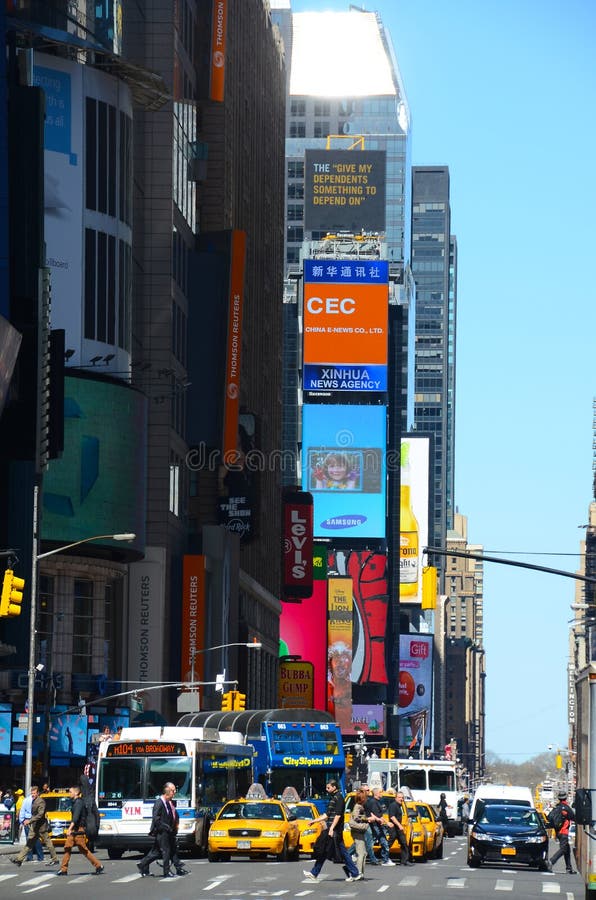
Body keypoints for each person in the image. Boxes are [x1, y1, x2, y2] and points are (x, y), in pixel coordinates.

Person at [303, 780, 361, 883]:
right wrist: (314, 821)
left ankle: (355, 873)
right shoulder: (333, 798)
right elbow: (327, 815)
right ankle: (314, 873)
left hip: (335, 831)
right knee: (326, 851)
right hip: (332, 830)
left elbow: (338, 815)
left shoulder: (339, 798)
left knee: (339, 852)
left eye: (328, 787)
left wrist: (332, 828)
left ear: (334, 787)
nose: (327, 789)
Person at [137, 782, 189, 878]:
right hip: (162, 832)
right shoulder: (159, 803)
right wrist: (166, 827)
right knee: (166, 851)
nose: (175, 792)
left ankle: (142, 864)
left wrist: (173, 827)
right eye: (173, 790)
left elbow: (172, 815)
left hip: (169, 832)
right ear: (167, 791)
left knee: (159, 852)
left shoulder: (168, 802)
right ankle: (167, 871)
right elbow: (156, 819)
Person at [56, 785, 104, 876]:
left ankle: (98, 865)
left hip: (78, 830)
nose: (69, 794)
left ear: (76, 793)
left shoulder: (78, 803)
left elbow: (76, 818)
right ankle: (63, 869)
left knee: (83, 849)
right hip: (75, 829)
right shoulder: (75, 802)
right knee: (67, 847)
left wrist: (69, 829)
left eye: (70, 792)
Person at [10, 785, 60, 867]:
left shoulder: (41, 801)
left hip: (41, 827)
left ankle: (55, 859)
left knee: (48, 843)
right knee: (29, 843)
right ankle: (19, 860)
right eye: (32, 793)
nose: (32, 795)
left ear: (37, 793)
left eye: (34, 793)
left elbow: (40, 814)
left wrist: (29, 820)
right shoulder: (33, 800)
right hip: (35, 827)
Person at [365, 787, 395, 866]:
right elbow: (378, 815)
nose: (382, 794)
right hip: (375, 825)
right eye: (380, 792)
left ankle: (385, 859)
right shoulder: (373, 802)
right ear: (376, 793)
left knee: (370, 841)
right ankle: (385, 860)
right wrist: (387, 823)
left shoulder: (377, 801)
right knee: (383, 842)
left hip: (377, 825)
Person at [548, 791, 576, 874]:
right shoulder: (566, 808)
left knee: (567, 849)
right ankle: (551, 861)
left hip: (557, 831)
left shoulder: (556, 807)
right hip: (564, 831)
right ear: (566, 798)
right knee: (563, 849)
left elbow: (549, 818)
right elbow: (573, 817)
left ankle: (569, 868)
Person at [386, 788, 413, 866]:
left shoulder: (399, 806)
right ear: (396, 798)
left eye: (402, 797)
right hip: (393, 827)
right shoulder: (393, 805)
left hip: (398, 828)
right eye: (399, 797)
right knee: (389, 843)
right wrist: (399, 825)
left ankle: (404, 861)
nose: (401, 799)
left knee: (404, 843)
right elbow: (392, 817)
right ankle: (384, 858)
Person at [19, 789, 44, 862]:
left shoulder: (26, 800)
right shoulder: (39, 800)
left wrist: (22, 821)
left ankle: (30, 857)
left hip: (27, 821)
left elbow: (22, 811)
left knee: (29, 839)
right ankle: (40, 856)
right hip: (34, 821)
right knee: (36, 839)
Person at [348, 789, 369, 876]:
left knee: (363, 853)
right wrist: (367, 819)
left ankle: (360, 873)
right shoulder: (358, 807)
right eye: (365, 797)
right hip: (358, 832)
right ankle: (358, 872)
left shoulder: (359, 806)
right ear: (363, 798)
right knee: (361, 853)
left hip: (359, 832)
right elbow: (356, 817)